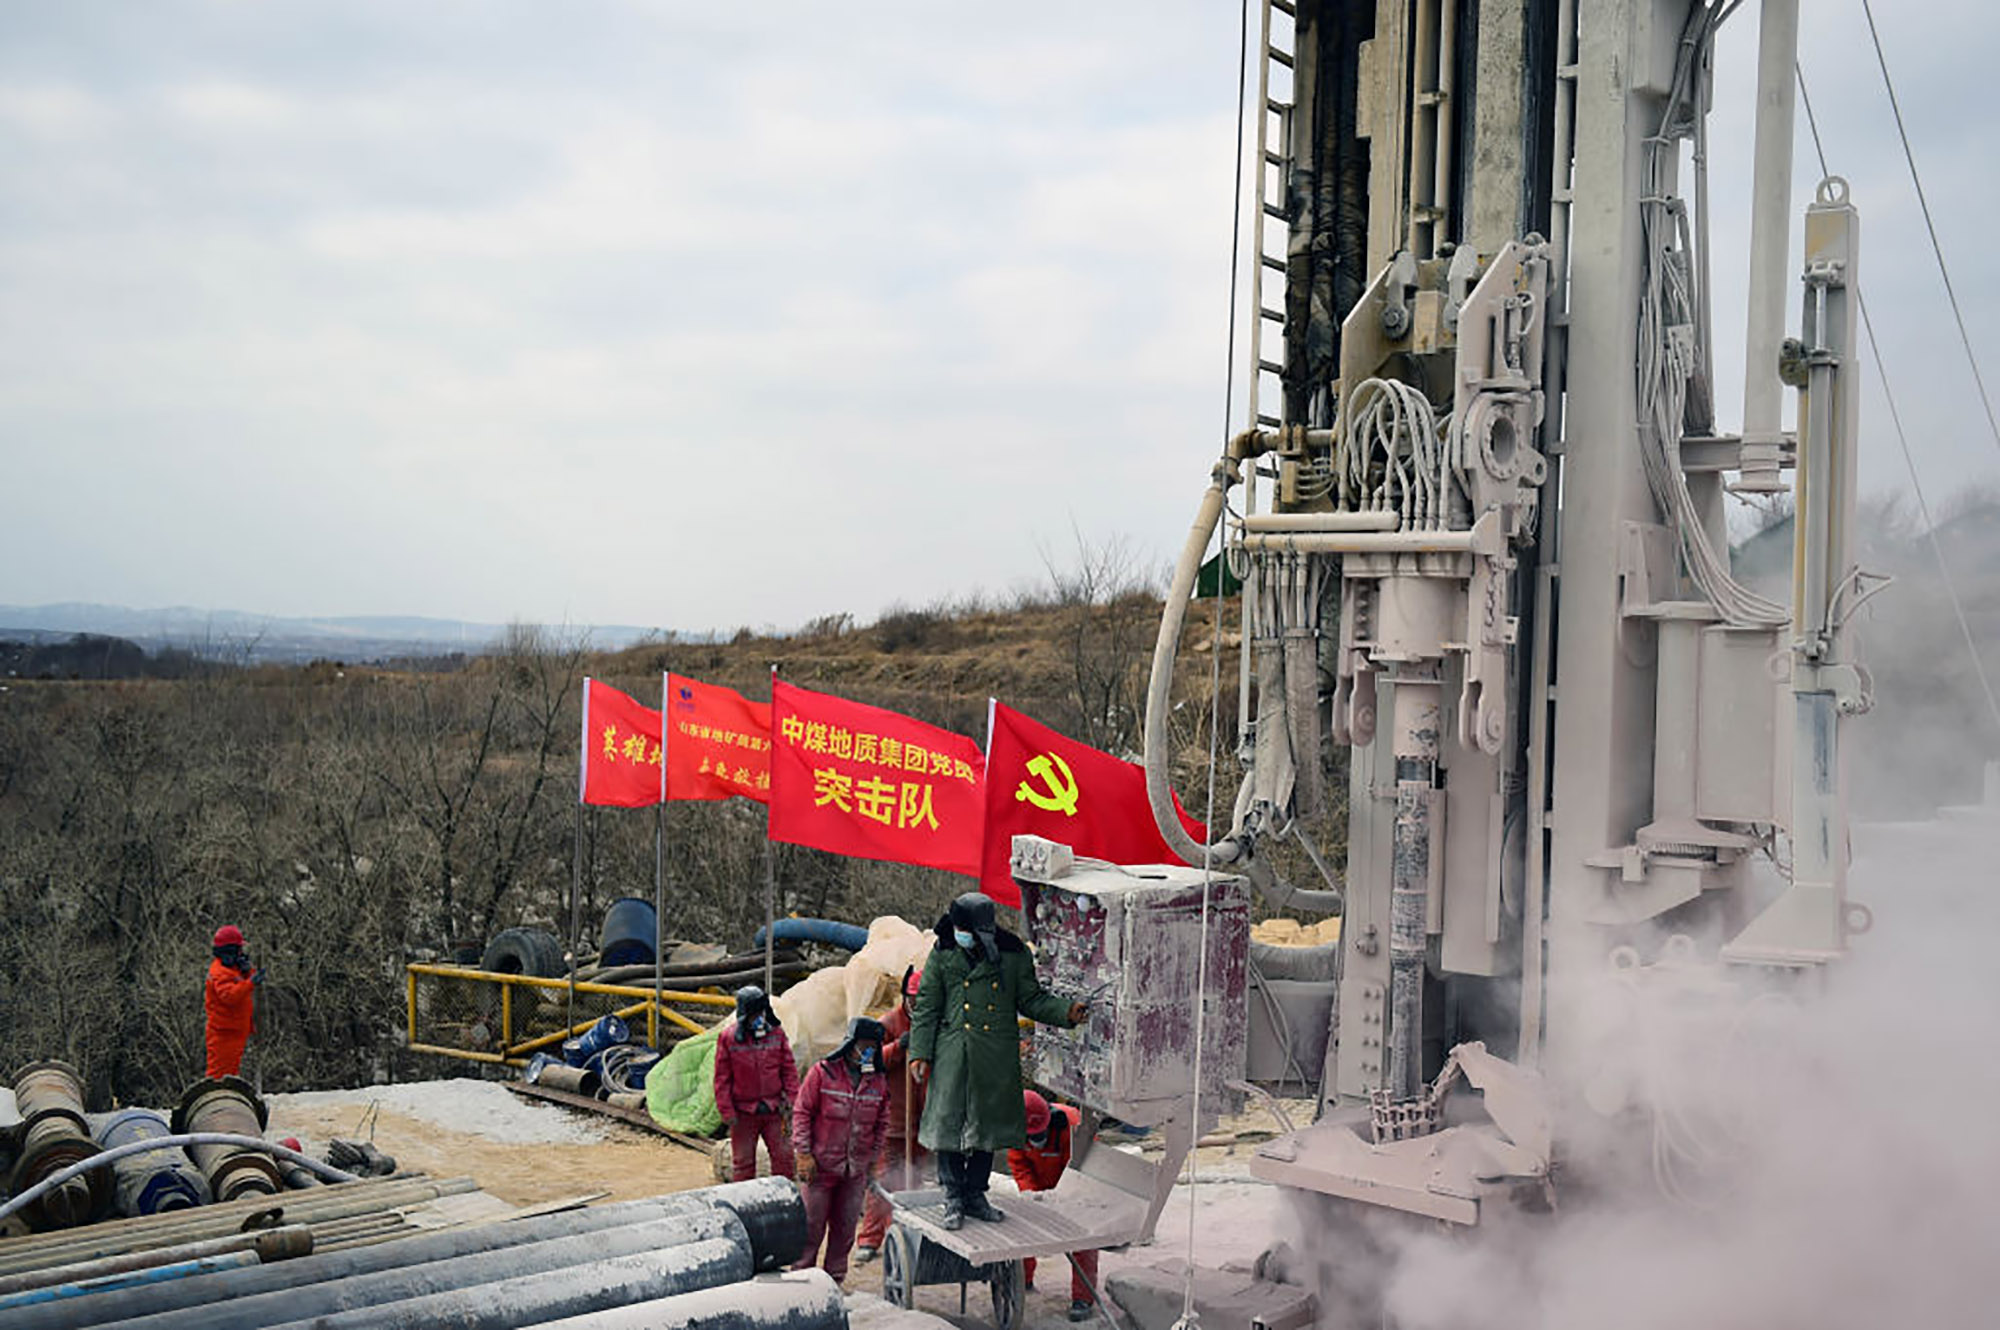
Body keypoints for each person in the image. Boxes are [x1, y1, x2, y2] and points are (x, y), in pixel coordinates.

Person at [908, 891, 1087, 1230]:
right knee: (949, 1124)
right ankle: (952, 1195)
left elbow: (1031, 999)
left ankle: (975, 1194)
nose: (960, 934)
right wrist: (920, 1052)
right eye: (958, 928)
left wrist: (1065, 1012)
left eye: (966, 930)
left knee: (986, 1127)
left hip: (994, 1053)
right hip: (952, 1052)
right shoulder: (944, 950)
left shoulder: (1012, 954)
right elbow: (928, 1005)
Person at [791, 1016, 892, 1285]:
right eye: (864, 1045)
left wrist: (873, 1161)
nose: (868, 1051)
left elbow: (882, 1124)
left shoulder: (878, 1082)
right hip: (820, 1168)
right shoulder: (822, 1073)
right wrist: (803, 1154)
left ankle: (834, 1281)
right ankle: (800, 1281)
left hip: (854, 1171)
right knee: (811, 1226)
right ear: (850, 1044)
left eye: (873, 1046)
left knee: (845, 1229)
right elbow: (802, 1112)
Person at [854, 966, 928, 1263]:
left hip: (922, 1120)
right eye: (913, 999)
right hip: (892, 1117)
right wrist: (898, 1047)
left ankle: (910, 1236)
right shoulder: (887, 1024)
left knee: (914, 1180)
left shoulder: (933, 1023)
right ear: (904, 997)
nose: (917, 1005)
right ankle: (870, 1238)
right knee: (883, 1181)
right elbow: (867, 1063)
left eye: (923, 999)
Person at [1009, 1090, 1101, 1322]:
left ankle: (1083, 1298)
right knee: (1023, 1232)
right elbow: (1019, 1164)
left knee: (1084, 1240)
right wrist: (1030, 1193)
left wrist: (1065, 1198)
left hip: (1075, 1185)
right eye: (1031, 1136)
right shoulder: (1014, 1129)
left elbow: (1083, 1167)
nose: (1036, 1140)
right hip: (1039, 1184)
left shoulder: (1075, 1127)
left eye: (1040, 1134)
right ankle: (1023, 1280)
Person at [713, 985, 798, 1182]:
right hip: (743, 1112)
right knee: (743, 1163)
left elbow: (789, 1070)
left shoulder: (776, 1034)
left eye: (761, 1013)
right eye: (754, 1015)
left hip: (774, 1109)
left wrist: (794, 1101)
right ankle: (746, 1197)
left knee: (784, 1158)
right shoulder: (728, 1039)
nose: (759, 1018)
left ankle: (783, 1195)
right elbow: (722, 1079)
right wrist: (727, 1111)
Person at [204, 924, 263, 1078]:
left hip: (235, 1029)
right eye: (239, 949)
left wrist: (248, 971)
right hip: (224, 1033)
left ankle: (227, 1093)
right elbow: (229, 996)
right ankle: (216, 1094)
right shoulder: (219, 972)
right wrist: (251, 982)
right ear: (230, 951)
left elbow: (241, 983)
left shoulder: (232, 968)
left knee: (230, 1072)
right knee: (219, 1075)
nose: (241, 953)